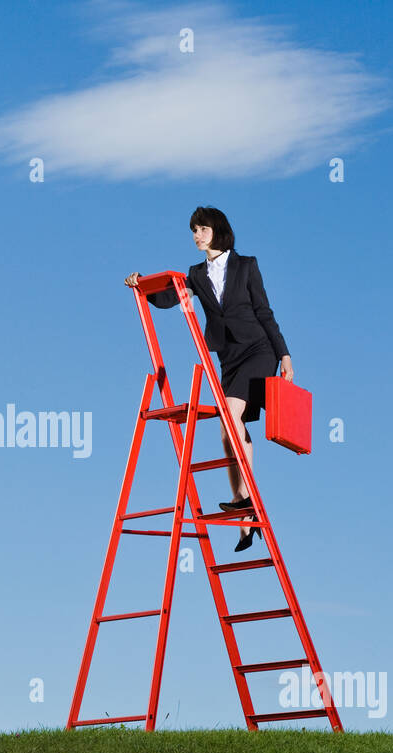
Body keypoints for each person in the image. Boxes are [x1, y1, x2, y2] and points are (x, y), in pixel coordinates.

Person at [125, 206, 292, 553]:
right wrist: (143, 287)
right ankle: (242, 507)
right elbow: (172, 297)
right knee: (226, 429)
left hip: (258, 349)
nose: (196, 236)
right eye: (193, 231)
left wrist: (285, 355)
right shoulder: (196, 274)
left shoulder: (247, 265)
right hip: (228, 357)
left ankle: (246, 497)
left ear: (217, 230)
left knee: (230, 417)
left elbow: (264, 311)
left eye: (201, 229)